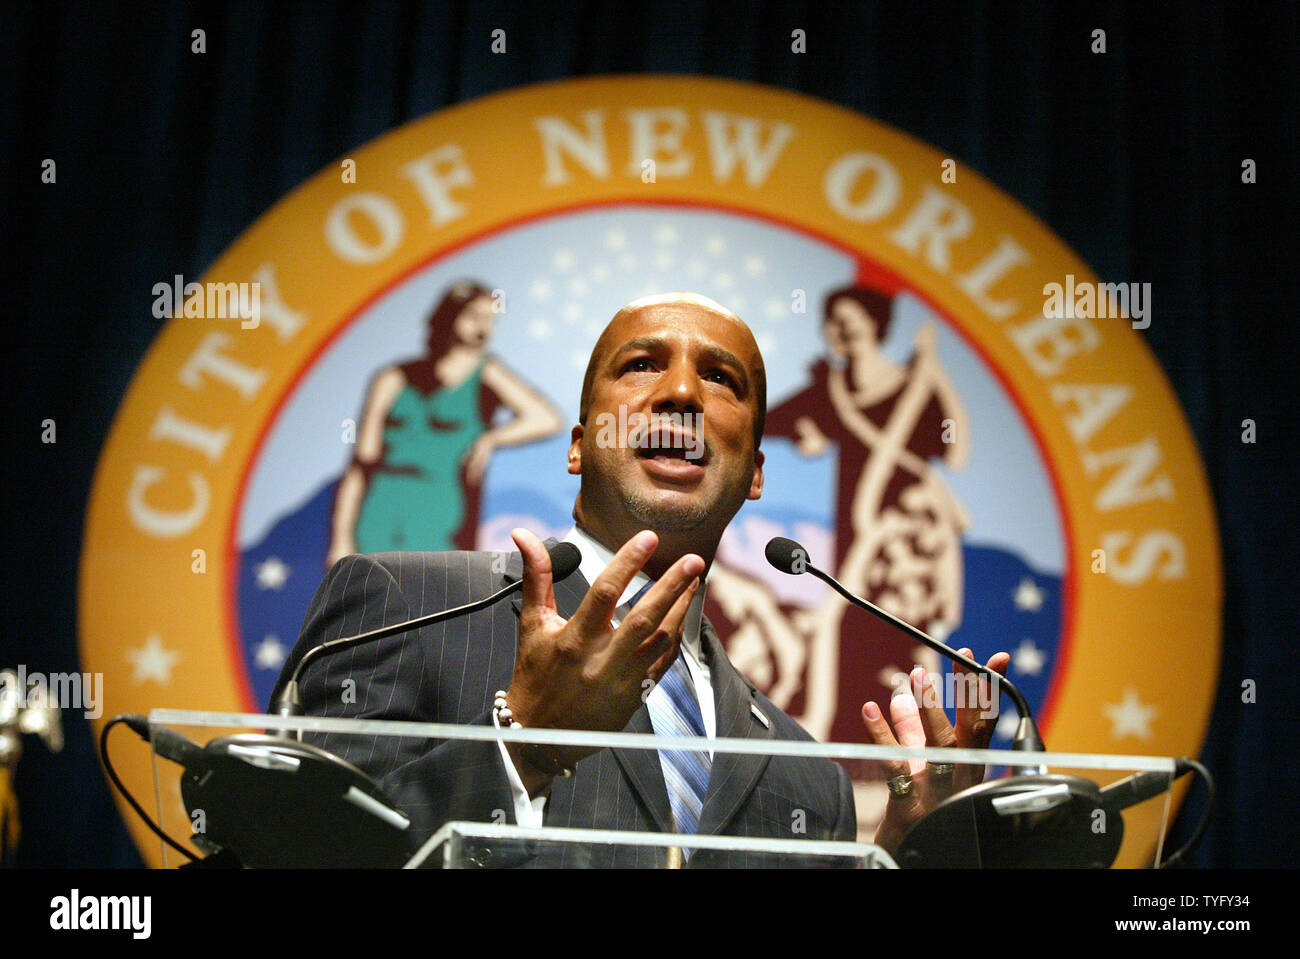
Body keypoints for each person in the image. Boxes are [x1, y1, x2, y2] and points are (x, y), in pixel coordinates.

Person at [274, 292, 1007, 866]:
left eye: (720, 378)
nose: (682, 391)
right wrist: (523, 747)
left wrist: (909, 857)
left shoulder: (806, 776)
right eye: (641, 365)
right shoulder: (406, 605)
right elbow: (293, 852)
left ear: (754, 472)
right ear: (577, 446)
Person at [327, 281, 562, 565]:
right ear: (450, 317)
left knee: (432, 600)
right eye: (474, 317)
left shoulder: (487, 374)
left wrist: (490, 438)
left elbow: (547, 419)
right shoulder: (394, 377)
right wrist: (341, 539)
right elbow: (360, 465)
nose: (483, 328)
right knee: (373, 601)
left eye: (491, 320)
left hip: (440, 517)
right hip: (379, 510)